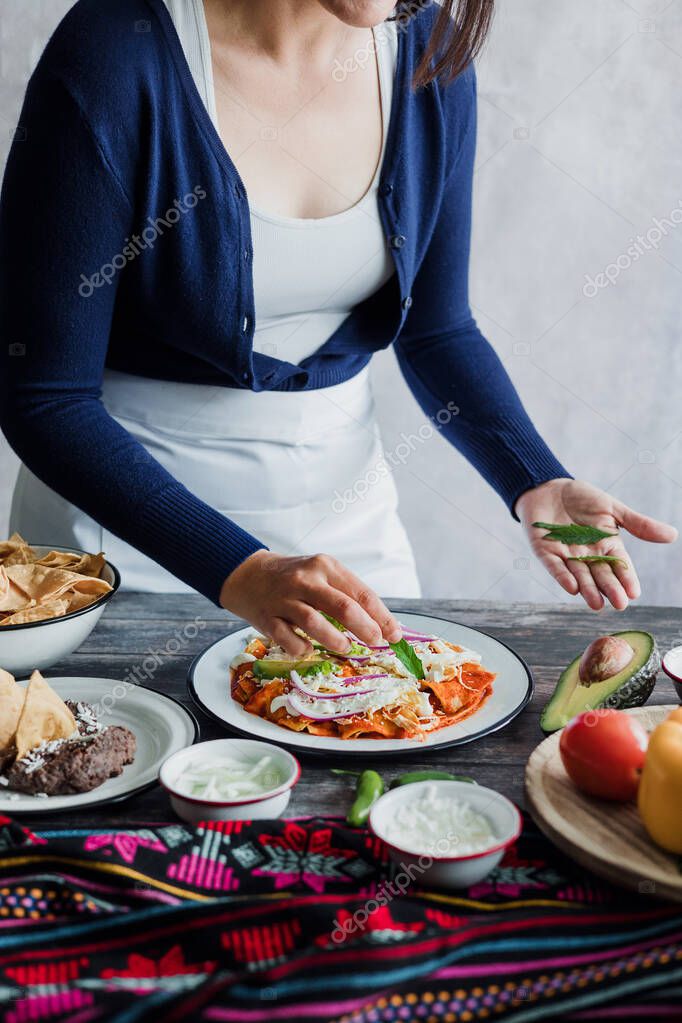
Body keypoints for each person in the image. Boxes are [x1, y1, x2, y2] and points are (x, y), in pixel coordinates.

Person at [0, 0, 675, 657]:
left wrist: (533, 479)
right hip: (126, 552)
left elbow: (437, 328)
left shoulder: (428, 56)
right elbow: (44, 397)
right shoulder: (115, 51)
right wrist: (240, 569)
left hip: (348, 544)